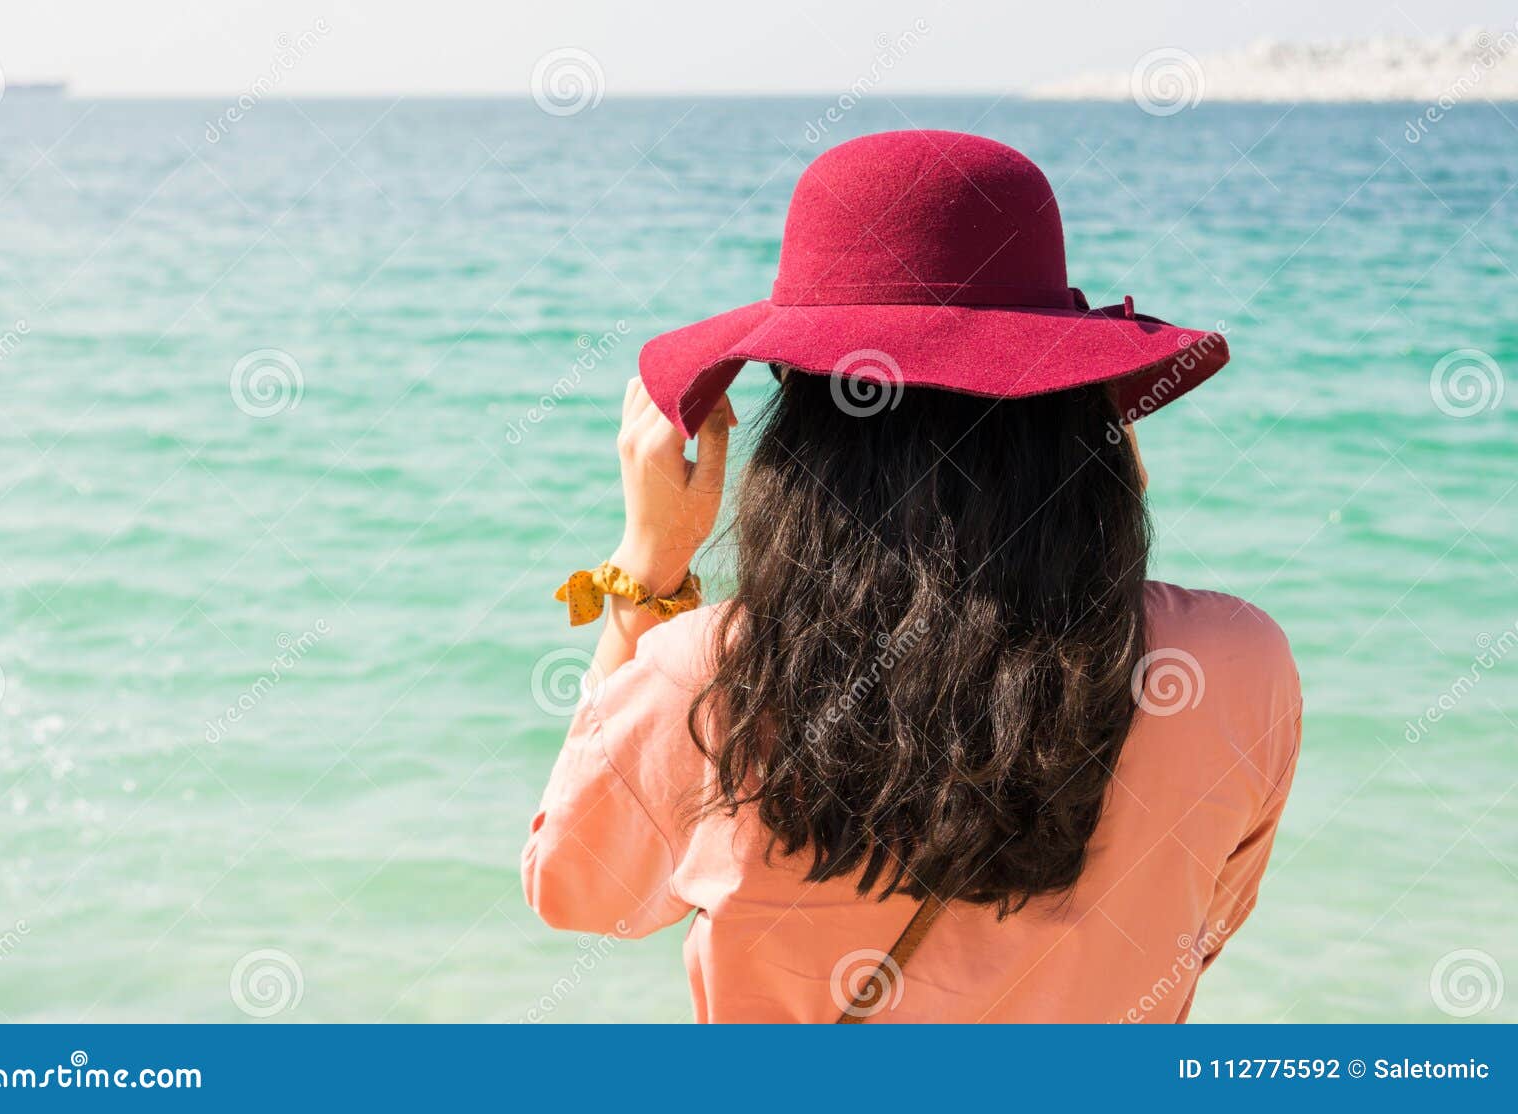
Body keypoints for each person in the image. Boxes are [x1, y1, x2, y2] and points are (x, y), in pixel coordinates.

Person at [523, 131, 1302, 1023]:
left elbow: (575, 890)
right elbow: (1206, 924)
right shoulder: (1239, 663)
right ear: (1083, 412)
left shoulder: (715, 675)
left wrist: (645, 569)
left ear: (807, 434)